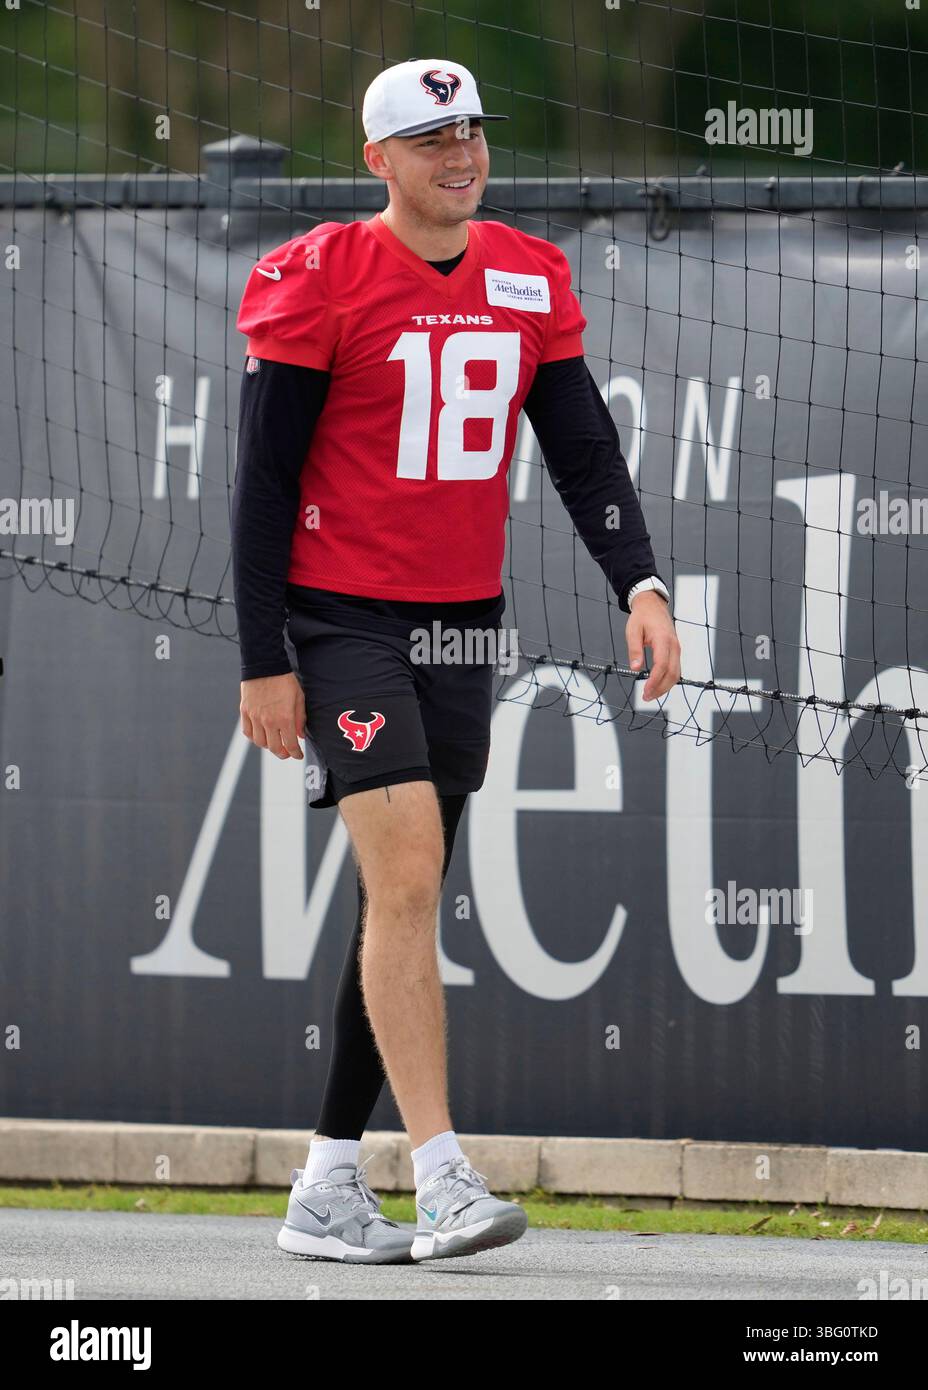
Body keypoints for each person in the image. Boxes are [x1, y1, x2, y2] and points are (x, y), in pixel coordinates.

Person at [231, 57, 681, 1264]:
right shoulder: (321, 277)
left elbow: (583, 451)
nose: (462, 155)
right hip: (341, 617)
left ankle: (326, 1185)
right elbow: (264, 483)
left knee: (402, 901)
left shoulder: (527, 278)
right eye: (432, 139)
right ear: (380, 161)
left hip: (459, 619)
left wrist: (638, 583)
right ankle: (441, 1177)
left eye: (471, 131)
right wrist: (261, 655)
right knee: (414, 882)